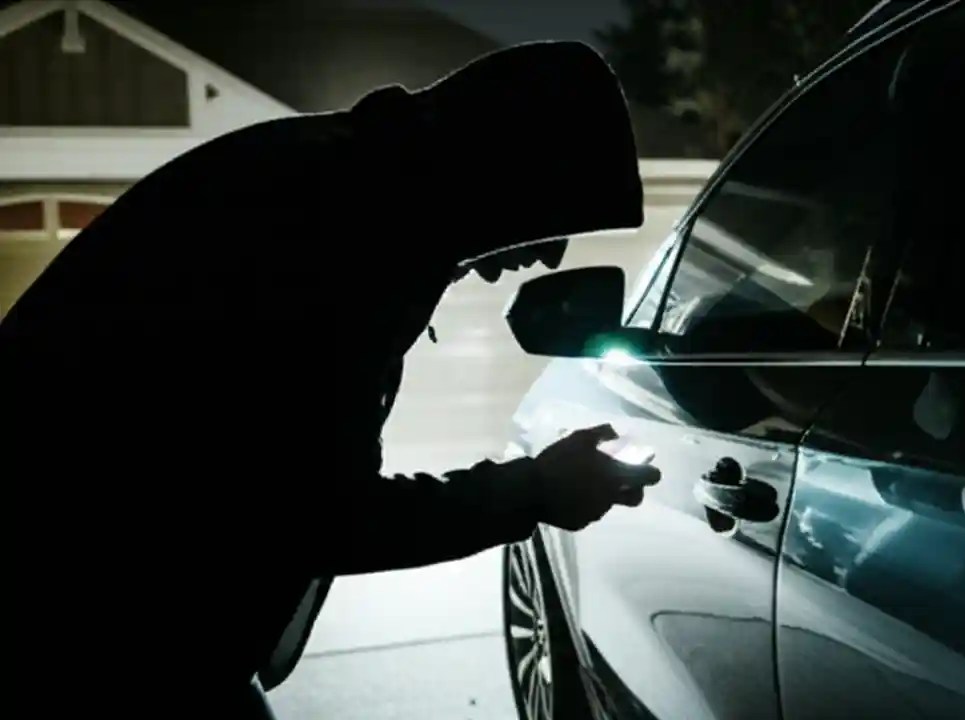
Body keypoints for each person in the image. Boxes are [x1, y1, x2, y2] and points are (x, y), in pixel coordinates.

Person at [0, 41, 658, 713]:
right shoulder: (342, 227)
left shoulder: (340, 181)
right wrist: (535, 490)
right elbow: (307, 513)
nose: (551, 253)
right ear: (509, 170)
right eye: (558, 211)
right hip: (82, 625)